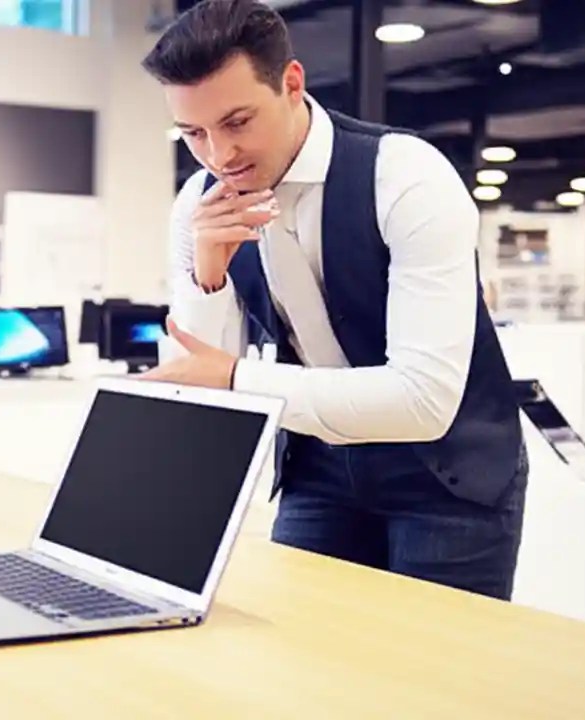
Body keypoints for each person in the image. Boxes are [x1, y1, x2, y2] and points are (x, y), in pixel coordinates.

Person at [139, 0, 527, 600]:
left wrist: (238, 378)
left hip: (446, 476)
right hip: (317, 466)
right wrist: (209, 276)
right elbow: (199, 390)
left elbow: (424, 401)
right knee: (304, 671)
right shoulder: (199, 202)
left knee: (438, 679)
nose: (219, 155)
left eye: (238, 122)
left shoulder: (406, 176)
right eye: (194, 133)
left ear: (292, 84)